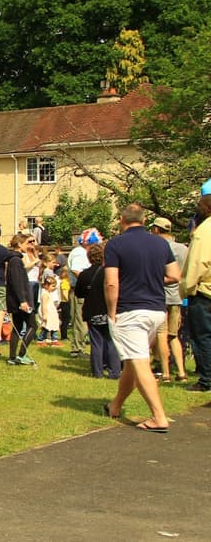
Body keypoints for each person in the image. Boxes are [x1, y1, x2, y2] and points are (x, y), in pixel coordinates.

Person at [103, 203, 180, 433]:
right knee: (133, 362)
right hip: (156, 309)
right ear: (145, 220)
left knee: (139, 363)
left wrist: (111, 310)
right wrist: (154, 281)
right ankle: (115, 406)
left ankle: (159, 417)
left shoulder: (115, 245)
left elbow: (111, 282)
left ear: (121, 220)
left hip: (130, 310)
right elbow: (175, 275)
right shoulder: (160, 243)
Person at [180, 181, 211, 393]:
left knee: (203, 337)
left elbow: (197, 264)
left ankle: (206, 380)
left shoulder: (205, 230)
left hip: (205, 292)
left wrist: (187, 289)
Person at [150, 217, 188, 383]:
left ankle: (165, 373)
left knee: (161, 334)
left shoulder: (157, 247)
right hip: (177, 296)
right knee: (174, 336)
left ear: (156, 230)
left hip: (160, 295)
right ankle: (181, 372)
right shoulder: (183, 248)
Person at [74, 243, 119, 379]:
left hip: (92, 310)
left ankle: (97, 372)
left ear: (89, 258)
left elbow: (79, 293)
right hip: (109, 310)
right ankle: (114, 371)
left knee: (96, 342)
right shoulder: (110, 273)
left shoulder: (84, 274)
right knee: (111, 341)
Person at [67, 228, 102, 357]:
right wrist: (91, 281)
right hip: (80, 289)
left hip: (82, 288)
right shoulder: (80, 253)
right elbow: (76, 270)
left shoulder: (80, 251)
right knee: (80, 320)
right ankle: (77, 348)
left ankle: (79, 346)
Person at [4, 234, 37, 366]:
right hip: (20, 300)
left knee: (17, 327)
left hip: (15, 299)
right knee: (33, 325)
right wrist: (22, 301)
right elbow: (17, 282)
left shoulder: (14, 259)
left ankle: (12, 357)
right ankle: (21, 354)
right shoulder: (16, 261)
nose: (28, 246)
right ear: (19, 245)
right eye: (26, 243)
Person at [38, 275, 62, 345]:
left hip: (52, 312)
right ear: (46, 285)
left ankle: (54, 339)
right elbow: (44, 305)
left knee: (54, 325)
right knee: (46, 326)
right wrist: (44, 314)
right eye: (52, 286)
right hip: (47, 312)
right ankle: (41, 339)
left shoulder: (49, 293)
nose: (54, 288)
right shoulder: (45, 294)